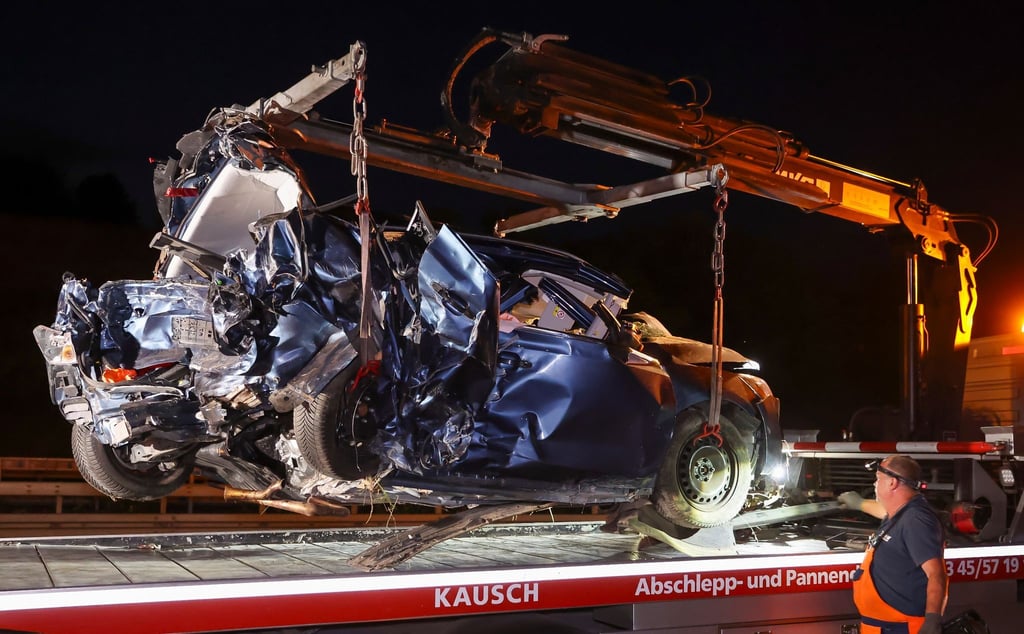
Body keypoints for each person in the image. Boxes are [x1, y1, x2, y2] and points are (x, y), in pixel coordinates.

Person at [838, 455, 948, 634]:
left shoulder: (916, 519)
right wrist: (859, 504)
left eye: (878, 479)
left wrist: (932, 620)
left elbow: (935, 574)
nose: (875, 484)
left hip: (901, 629)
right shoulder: (901, 513)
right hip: (884, 627)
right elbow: (885, 512)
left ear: (892, 483)